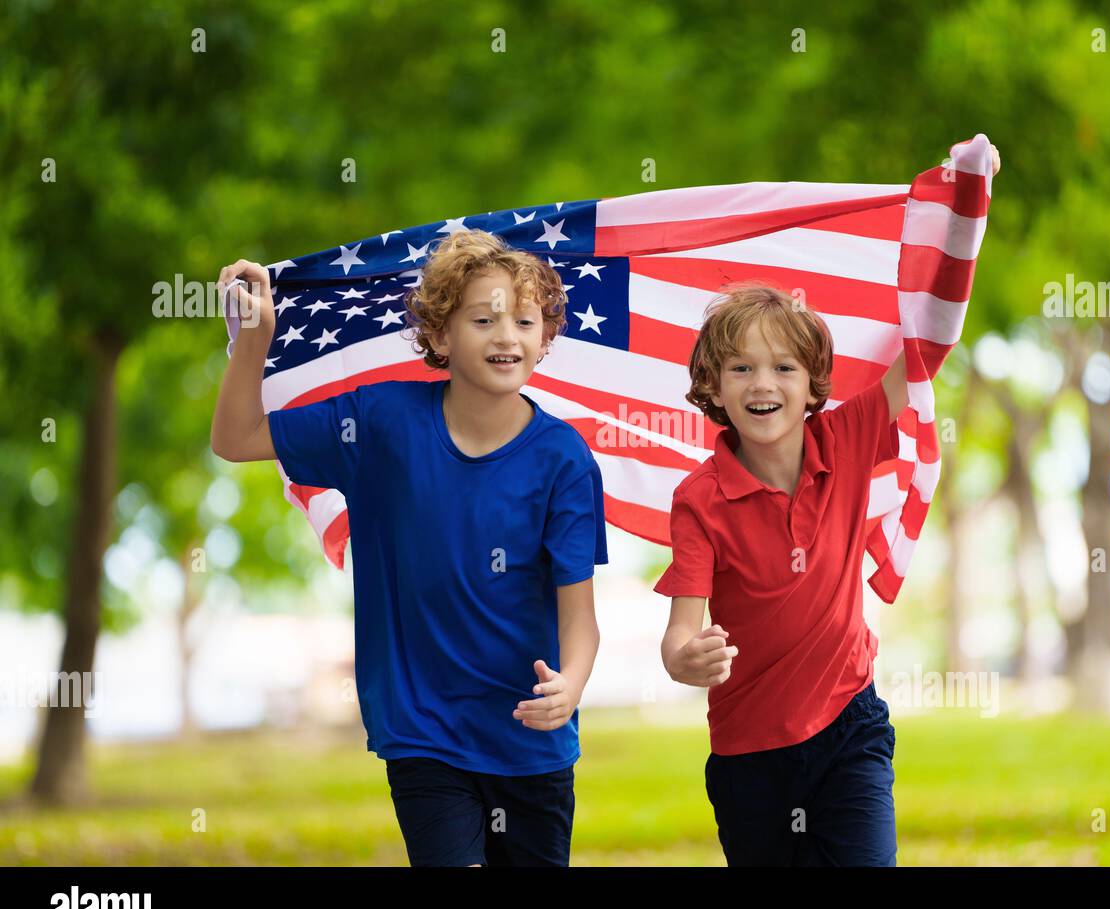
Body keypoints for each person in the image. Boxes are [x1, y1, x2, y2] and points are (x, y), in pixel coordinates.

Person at [211, 229, 607, 866]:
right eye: (484, 318)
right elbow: (237, 438)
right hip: (423, 734)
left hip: (532, 742)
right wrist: (255, 340)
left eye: (525, 321)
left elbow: (579, 616)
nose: (507, 335)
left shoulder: (563, 459)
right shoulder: (378, 422)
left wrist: (573, 684)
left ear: (544, 338)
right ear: (442, 336)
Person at [654, 144, 1000, 866]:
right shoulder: (700, 500)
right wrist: (690, 660)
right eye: (741, 368)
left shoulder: (849, 436)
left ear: (815, 387)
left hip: (850, 730)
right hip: (749, 756)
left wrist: (967, 207)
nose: (763, 383)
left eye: (784, 367)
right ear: (712, 388)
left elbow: (929, 345)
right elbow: (680, 635)